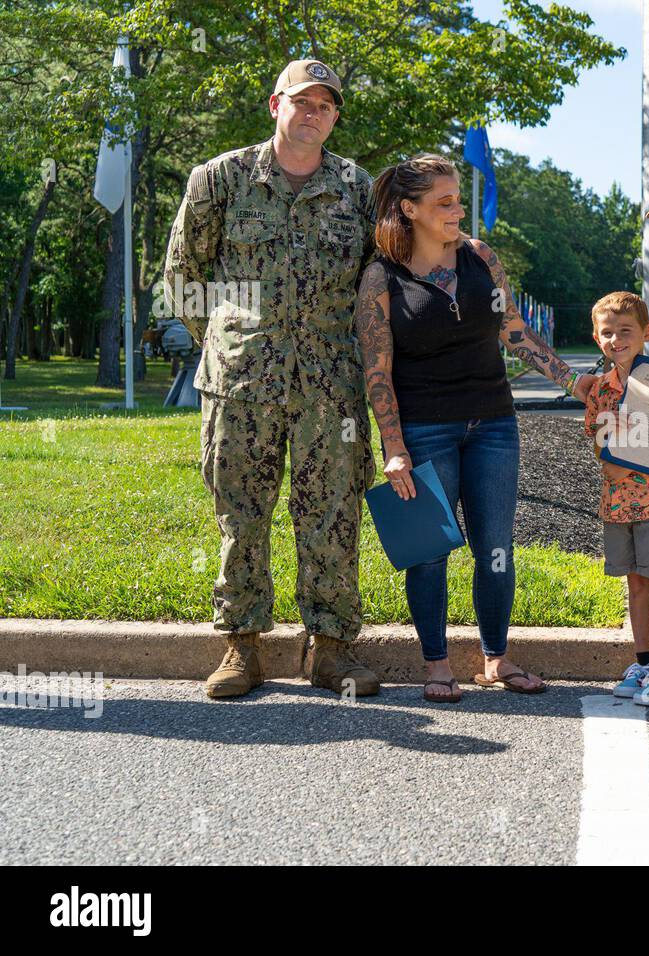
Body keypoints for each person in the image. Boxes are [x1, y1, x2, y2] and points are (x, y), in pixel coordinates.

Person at [163, 59, 381, 700]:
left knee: (334, 514)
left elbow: (376, 284)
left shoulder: (357, 188)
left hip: (330, 386)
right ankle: (241, 646)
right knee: (241, 514)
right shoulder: (222, 180)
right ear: (274, 104)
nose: (312, 113)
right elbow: (183, 275)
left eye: (325, 105)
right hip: (240, 384)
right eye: (301, 101)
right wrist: (229, 347)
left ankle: (333, 649)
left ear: (335, 116)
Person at [353, 153, 597, 704]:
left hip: (493, 424)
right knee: (429, 550)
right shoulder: (381, 278)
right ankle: (437, 665)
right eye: (444, 202)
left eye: (459, 198)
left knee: (496, 546)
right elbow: (377, 369)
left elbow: (515, 333)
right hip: (423, 430)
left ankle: (496, 658)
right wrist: (393, 447)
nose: (457, 209)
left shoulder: (481, 258)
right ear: (410, 209)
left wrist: (572, 381)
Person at [584, 291, 649, 706]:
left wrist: (623, 446)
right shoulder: (600, 390)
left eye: (625, 331)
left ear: (646, 333)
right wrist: (628, 445)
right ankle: (642, 661)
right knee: (636, 583)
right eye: (607, 332)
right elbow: (601, 450)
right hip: (616, 505)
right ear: (597, 338)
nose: (615, 339)